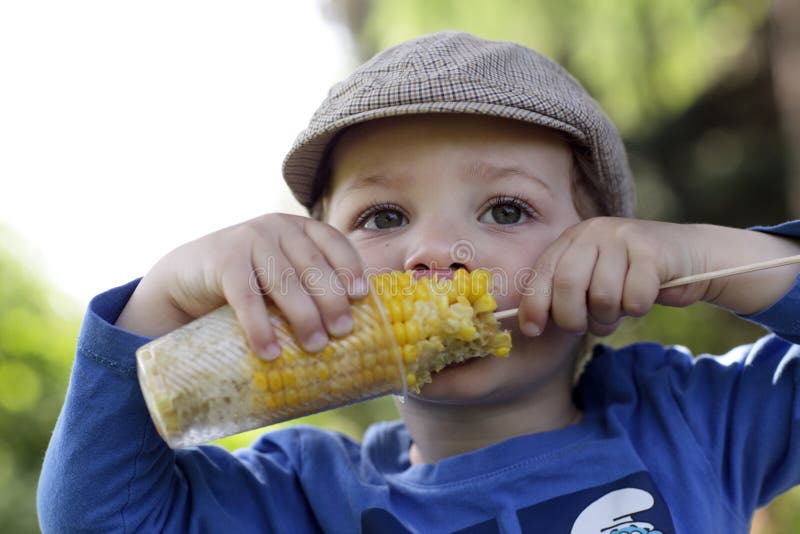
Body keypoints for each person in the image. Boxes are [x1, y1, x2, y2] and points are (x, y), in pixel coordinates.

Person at [38, 32, 800, 533]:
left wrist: (709, 257)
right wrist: (161, 303)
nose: (433, 253)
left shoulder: (692, 420)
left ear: (611, 258)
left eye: (506, 208)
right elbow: (94, 515)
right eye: (382, 216)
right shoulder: (302, 495)